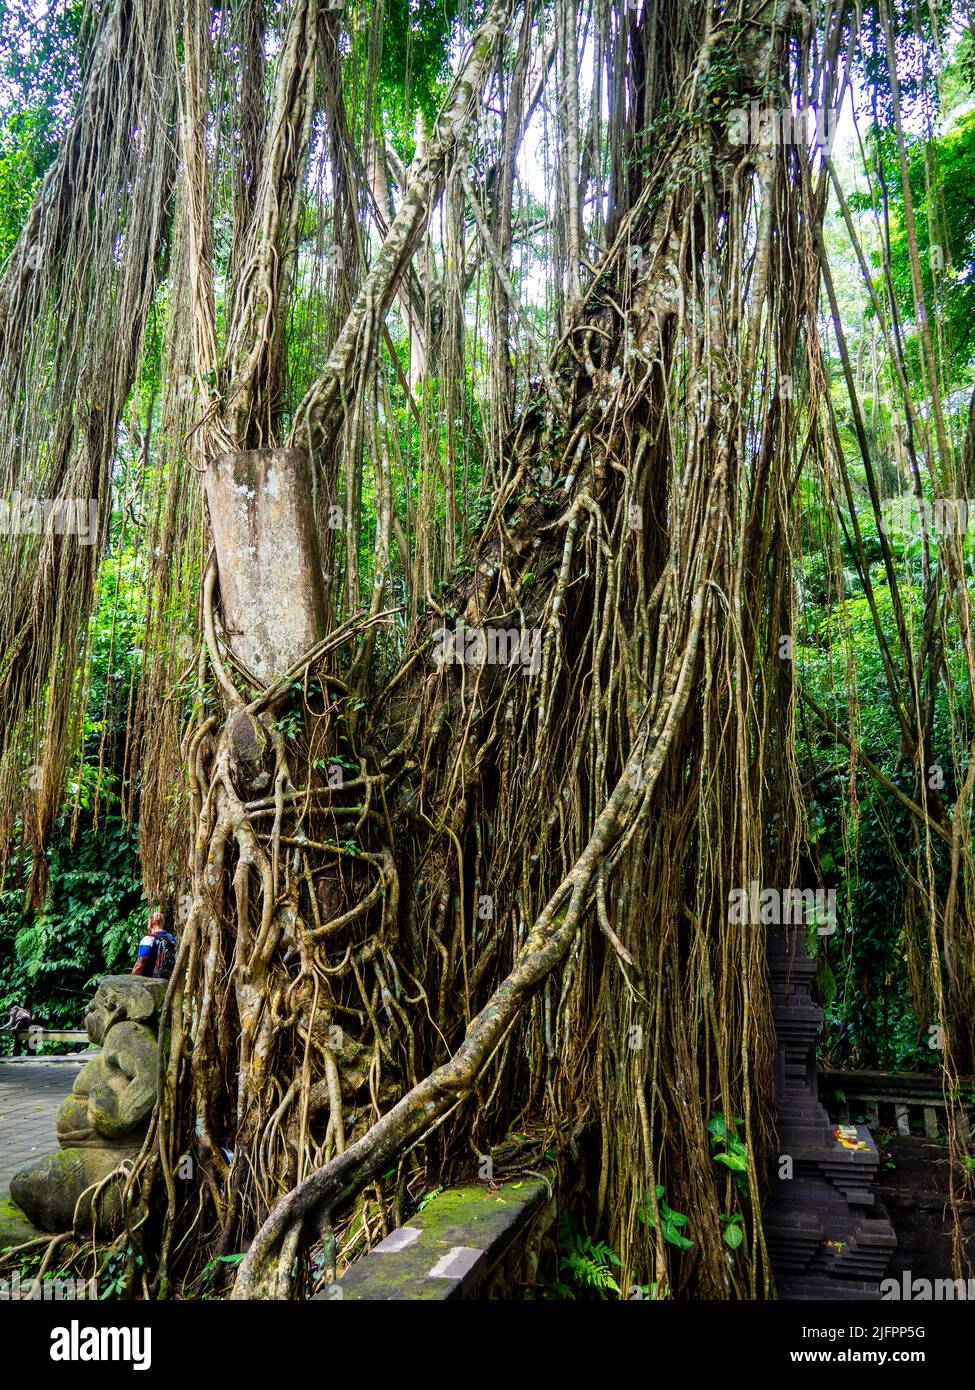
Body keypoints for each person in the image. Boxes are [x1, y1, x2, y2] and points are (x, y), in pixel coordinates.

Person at [132, 910, 177, 981]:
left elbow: (139, 965)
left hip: (152, 981)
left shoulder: (148, 939)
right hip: (170, 980)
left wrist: (131, 980)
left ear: (150, 924)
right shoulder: (173, 939)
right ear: (162, 923)